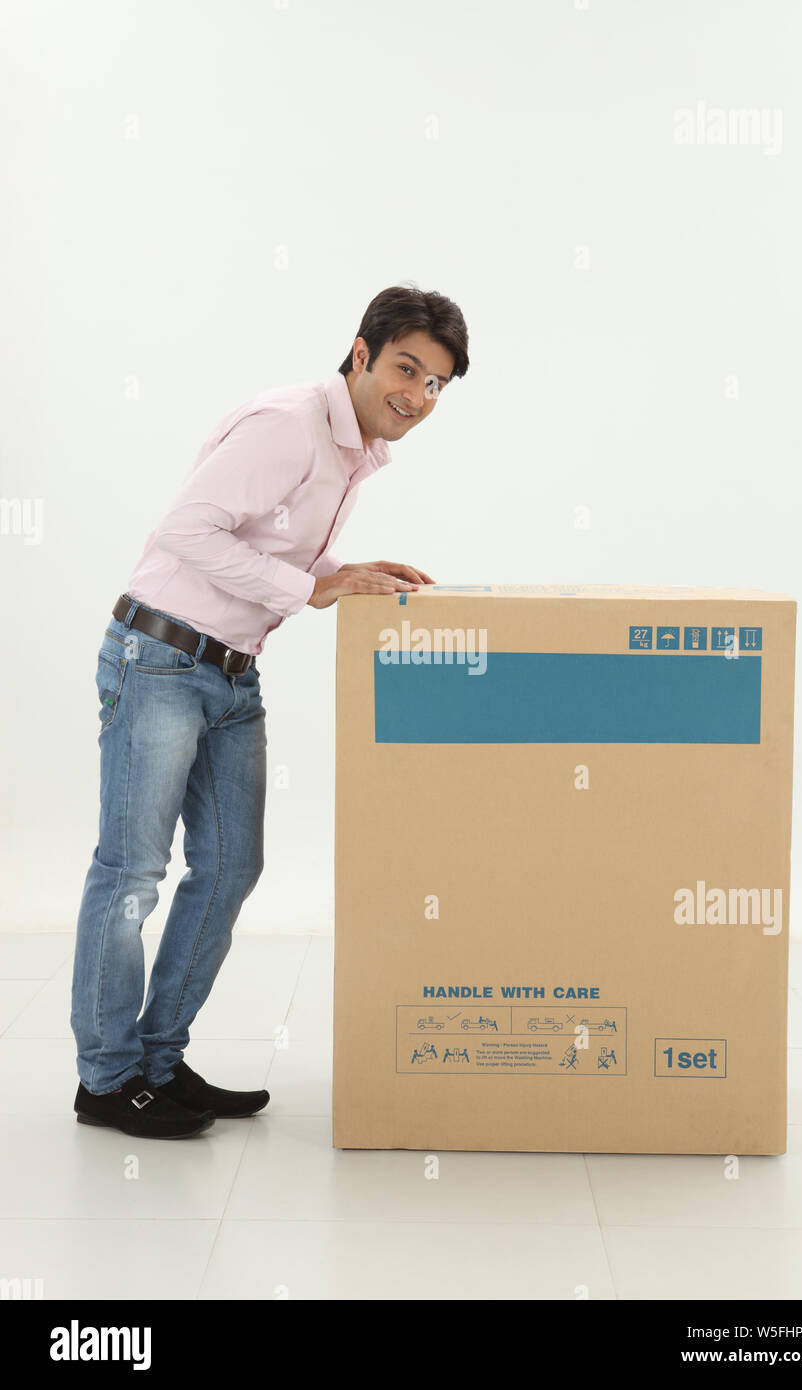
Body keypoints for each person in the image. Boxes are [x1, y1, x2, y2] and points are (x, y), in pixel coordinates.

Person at [70, 283, 470, 1139]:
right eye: (407, 369)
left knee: (229, 867)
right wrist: (312, 588)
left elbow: (264, 544)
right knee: (132, 872)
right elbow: (187, 529)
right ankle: (105, 1078)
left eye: (436, 384)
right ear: (360, 353)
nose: (418, 394)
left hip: (231, 673)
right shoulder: (291, 424)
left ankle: (159, 1063)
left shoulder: (354, 450)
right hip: (161, 658)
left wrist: (344, 572)